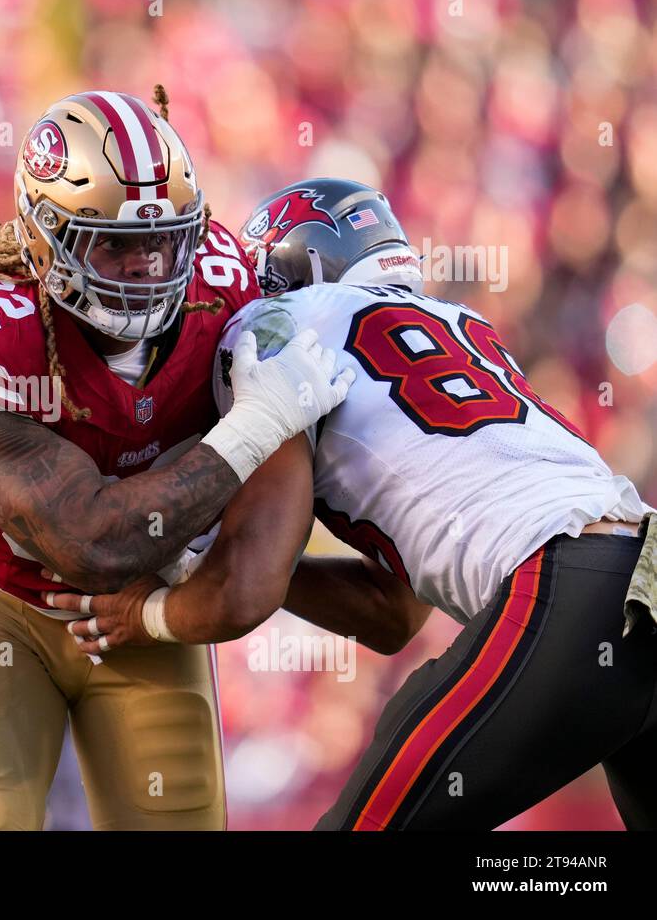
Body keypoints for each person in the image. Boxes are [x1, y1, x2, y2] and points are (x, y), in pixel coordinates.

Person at [51, 177, 657, 830]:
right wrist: (235, 570)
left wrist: (146, 614)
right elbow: (390, 611)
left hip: (570, 592)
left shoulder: (273, 327)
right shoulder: (462, 325)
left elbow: (244, 592)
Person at [0, 89, 355, 829]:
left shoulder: (226, 290)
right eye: (114, 243)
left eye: (163, 239)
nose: (147, 265)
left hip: (145, 606)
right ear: (43, 239)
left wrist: (182, 590)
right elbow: (91, 543)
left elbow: (255, 555)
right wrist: (254, 427)